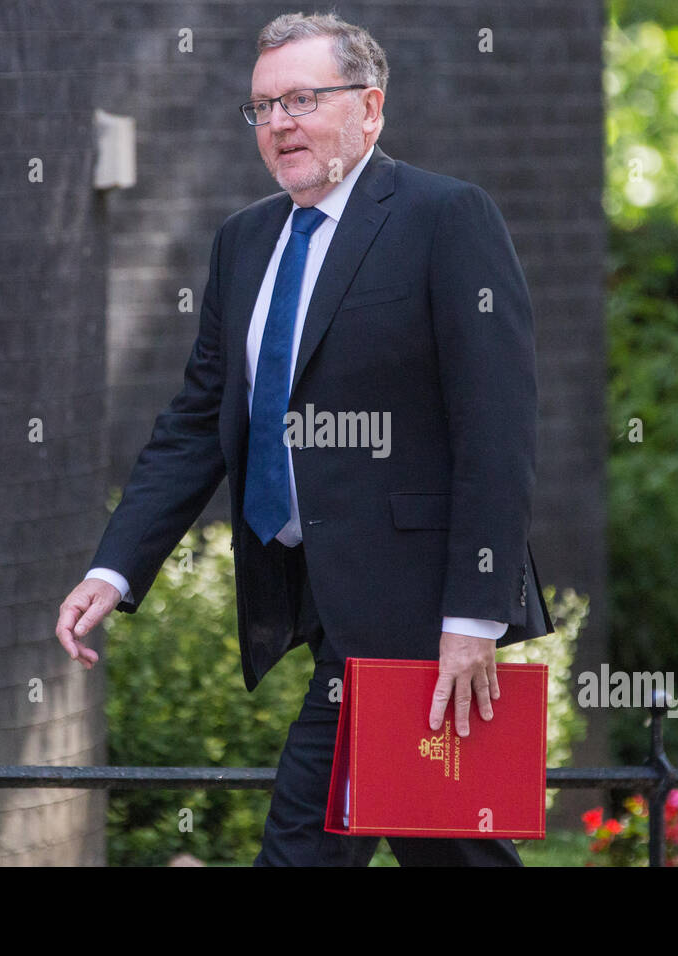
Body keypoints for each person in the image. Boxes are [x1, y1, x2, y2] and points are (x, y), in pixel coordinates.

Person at [55, 11, 553, 866]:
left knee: (401, 848)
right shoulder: (246, 242)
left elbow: (496, 432)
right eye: (262, 107)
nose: (280, 123)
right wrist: (115, 565)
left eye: (302, 99)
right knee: (408, 850)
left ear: (370, 108)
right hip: (330, 611)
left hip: (422, 623)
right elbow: (198, 421)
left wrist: (473, 618)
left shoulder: (445, 218)